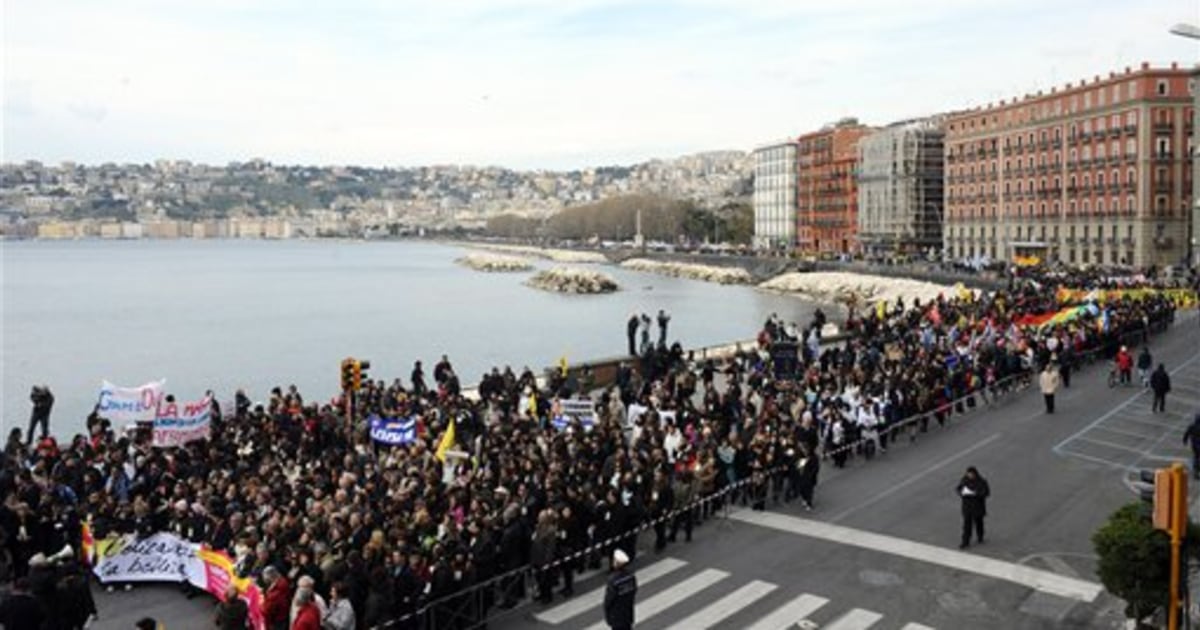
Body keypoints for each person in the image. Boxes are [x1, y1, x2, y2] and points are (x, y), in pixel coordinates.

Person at [956, 466, 990, 549]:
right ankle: (965, 541)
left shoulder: (982, 481)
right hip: (967, 507)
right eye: (968, 474)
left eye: (971, 474)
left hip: (977, 507)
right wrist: (962, 493)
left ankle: (980, 536)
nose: (969, 476)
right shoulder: (964, 480)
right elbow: (958, 489)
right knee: (967, 525)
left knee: (979, 523)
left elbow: (986, 493)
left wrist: (976, 494)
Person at [603, 549, 636, 630]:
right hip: (628, 613)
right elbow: (634, 591)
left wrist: (607, 613)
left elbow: (609, 600)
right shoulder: (631, 576)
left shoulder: (613, 580)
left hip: (616, 616)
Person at [1183, 414, 1200, 480]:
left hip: (1194, 445)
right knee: (1197, 457)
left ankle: (1196, 471)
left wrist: (1185, 441)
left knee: (1196, 457)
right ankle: (1197, 469)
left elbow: (1186, 434)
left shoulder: (1192, 426)